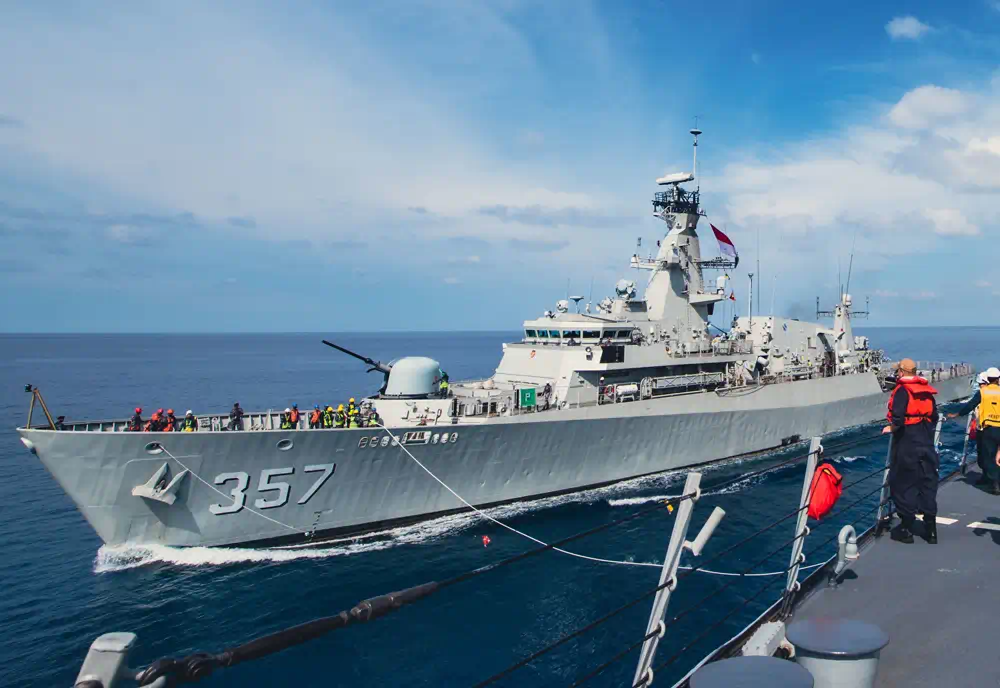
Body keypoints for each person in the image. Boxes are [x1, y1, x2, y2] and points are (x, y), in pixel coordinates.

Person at [883, 358, 940, 544]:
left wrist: (891, 428)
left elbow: (898, 417)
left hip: (907, 441)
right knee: (927, 481)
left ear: (900, 372)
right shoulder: (925, 390)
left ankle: (906, 529)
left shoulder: (902, 390)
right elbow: (934, 415)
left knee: (903, 482)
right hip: (926, 438)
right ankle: (931, 531)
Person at [947, 371, 990, 483]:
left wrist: (957, 414)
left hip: (985, 428)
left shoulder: (983, 393)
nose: (980, 386)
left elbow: (970, 405)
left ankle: (989, 479)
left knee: (984, 454)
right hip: (993, 427)